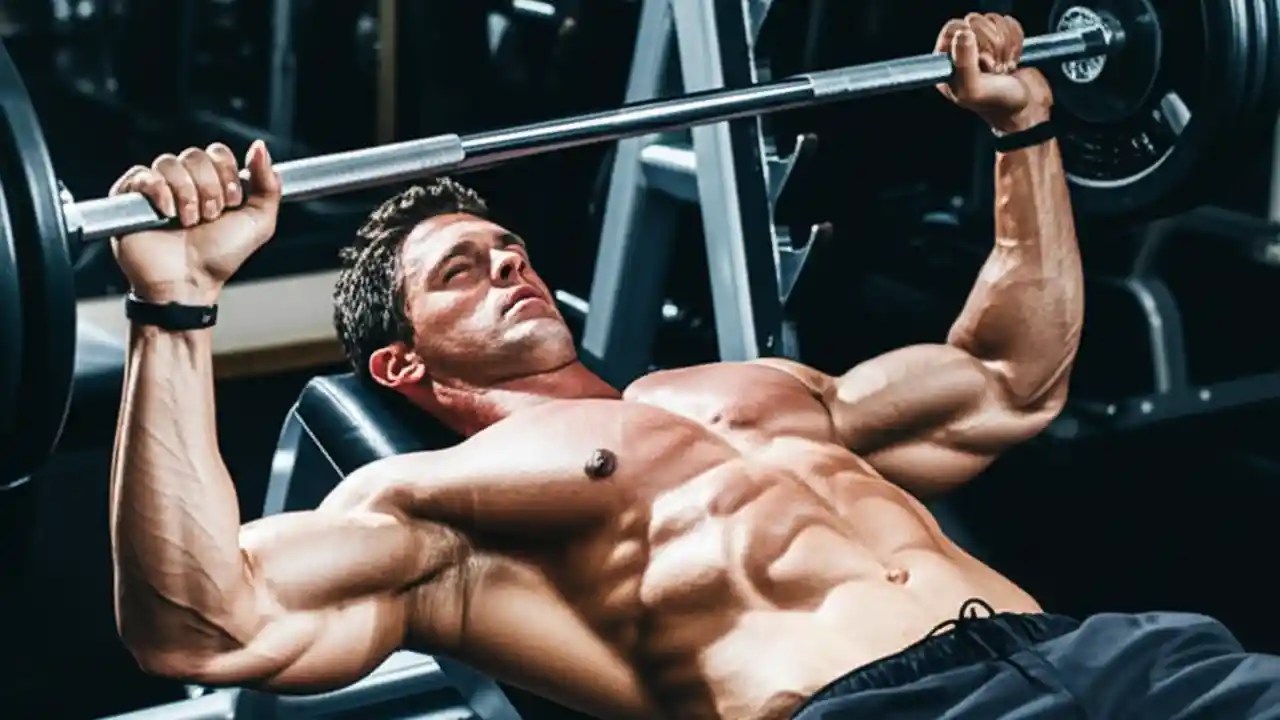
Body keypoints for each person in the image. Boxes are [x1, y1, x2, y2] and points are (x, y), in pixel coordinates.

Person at [106, 13, 1280, 720]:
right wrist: (174, 303)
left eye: (507, 248)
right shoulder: (435, 511)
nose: (508, 266)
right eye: (461, 270)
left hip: (1104, 654)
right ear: (402, 365)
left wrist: (1023, 131)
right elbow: (204, 627)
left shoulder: (748, 391)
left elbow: (1005, 378)